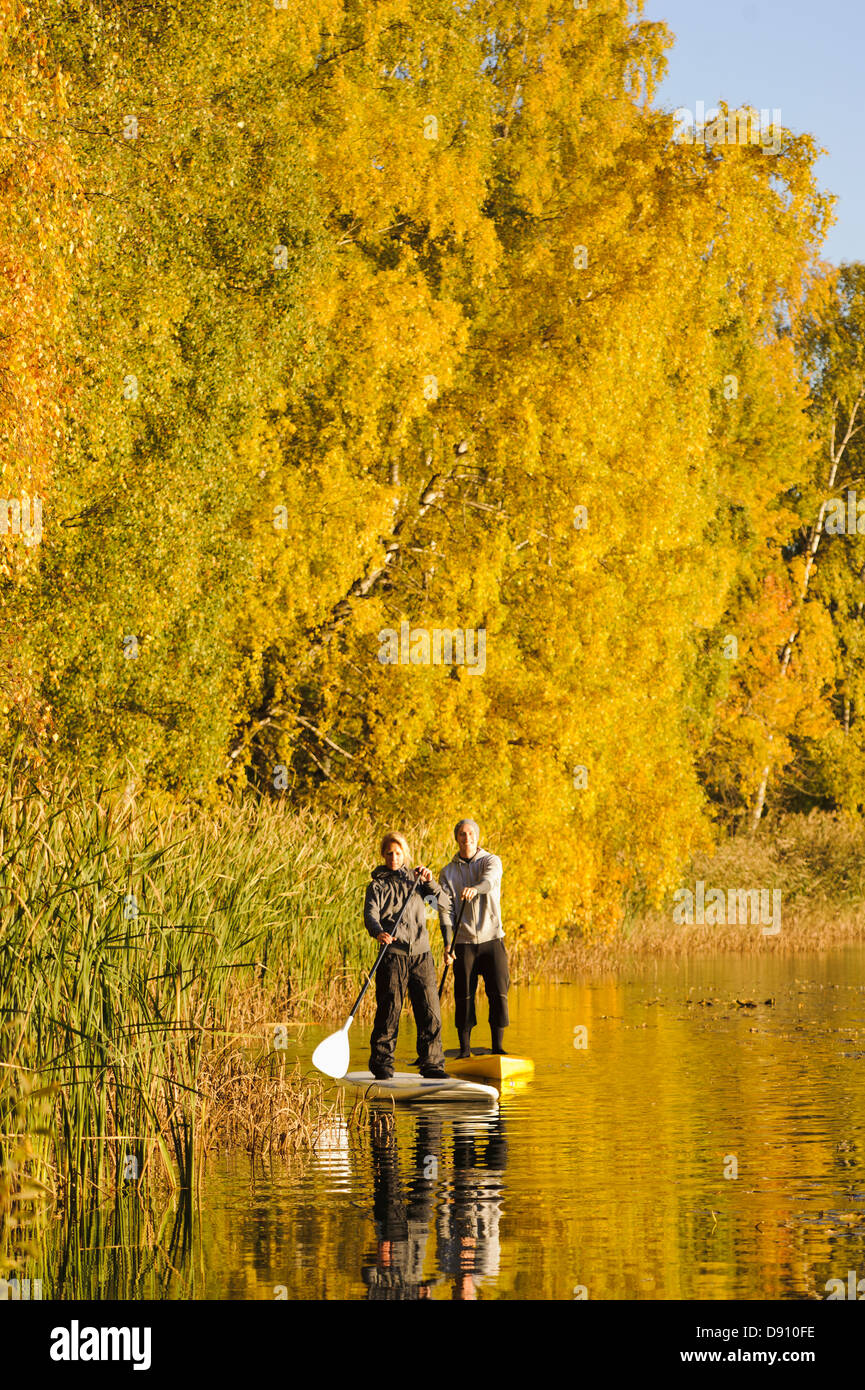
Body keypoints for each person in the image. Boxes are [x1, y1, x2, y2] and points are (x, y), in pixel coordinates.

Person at [364, 831, 450, 1080]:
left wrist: (431, 882)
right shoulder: (377, 886)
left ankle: (432, 1064)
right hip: (392, 955)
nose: (393, 857)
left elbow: (442, 904)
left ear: (405, 854)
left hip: (421, 956)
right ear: (383, 854)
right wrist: (378, 932)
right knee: (389, 1010)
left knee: (429, 1011)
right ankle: (382, 1064)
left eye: (398, 853)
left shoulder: (417, 881)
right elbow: (371, 915)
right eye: (389, 853)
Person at [439, 818, 509, 1057]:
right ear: (456, 838)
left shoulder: (491, 861)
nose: (466, 837)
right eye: (461, 834)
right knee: (464, 997)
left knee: (498, 993)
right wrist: (448, 943)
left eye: (470, 833)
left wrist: (475, 889)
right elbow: (445, 910)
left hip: (492, 939)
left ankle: (498, 1050)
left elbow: (489, 882)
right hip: (464, 942)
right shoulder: (447, 872)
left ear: (476, 837)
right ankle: (465, 1051)